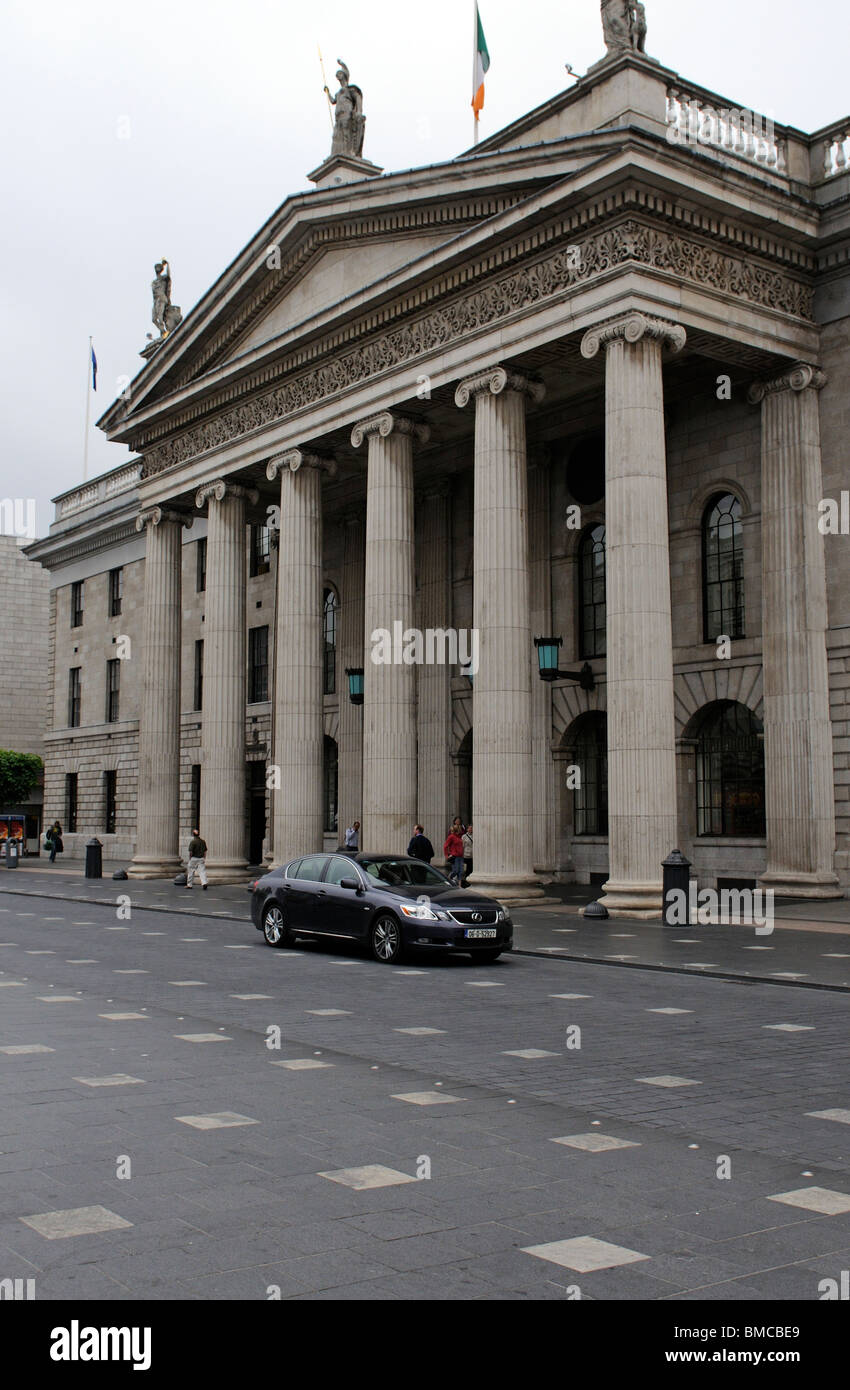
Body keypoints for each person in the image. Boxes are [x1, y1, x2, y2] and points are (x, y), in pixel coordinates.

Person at [443, 819, 466, 887]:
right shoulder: (451, 837)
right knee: (455, 871)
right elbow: (445, 846)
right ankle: (448, 880)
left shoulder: (460, 837)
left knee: (461, 872)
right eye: (460, 829)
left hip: (461, 856)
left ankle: (459, 886)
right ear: (457, 830)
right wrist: (447, 855)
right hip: (455, 856)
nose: (461, 830)